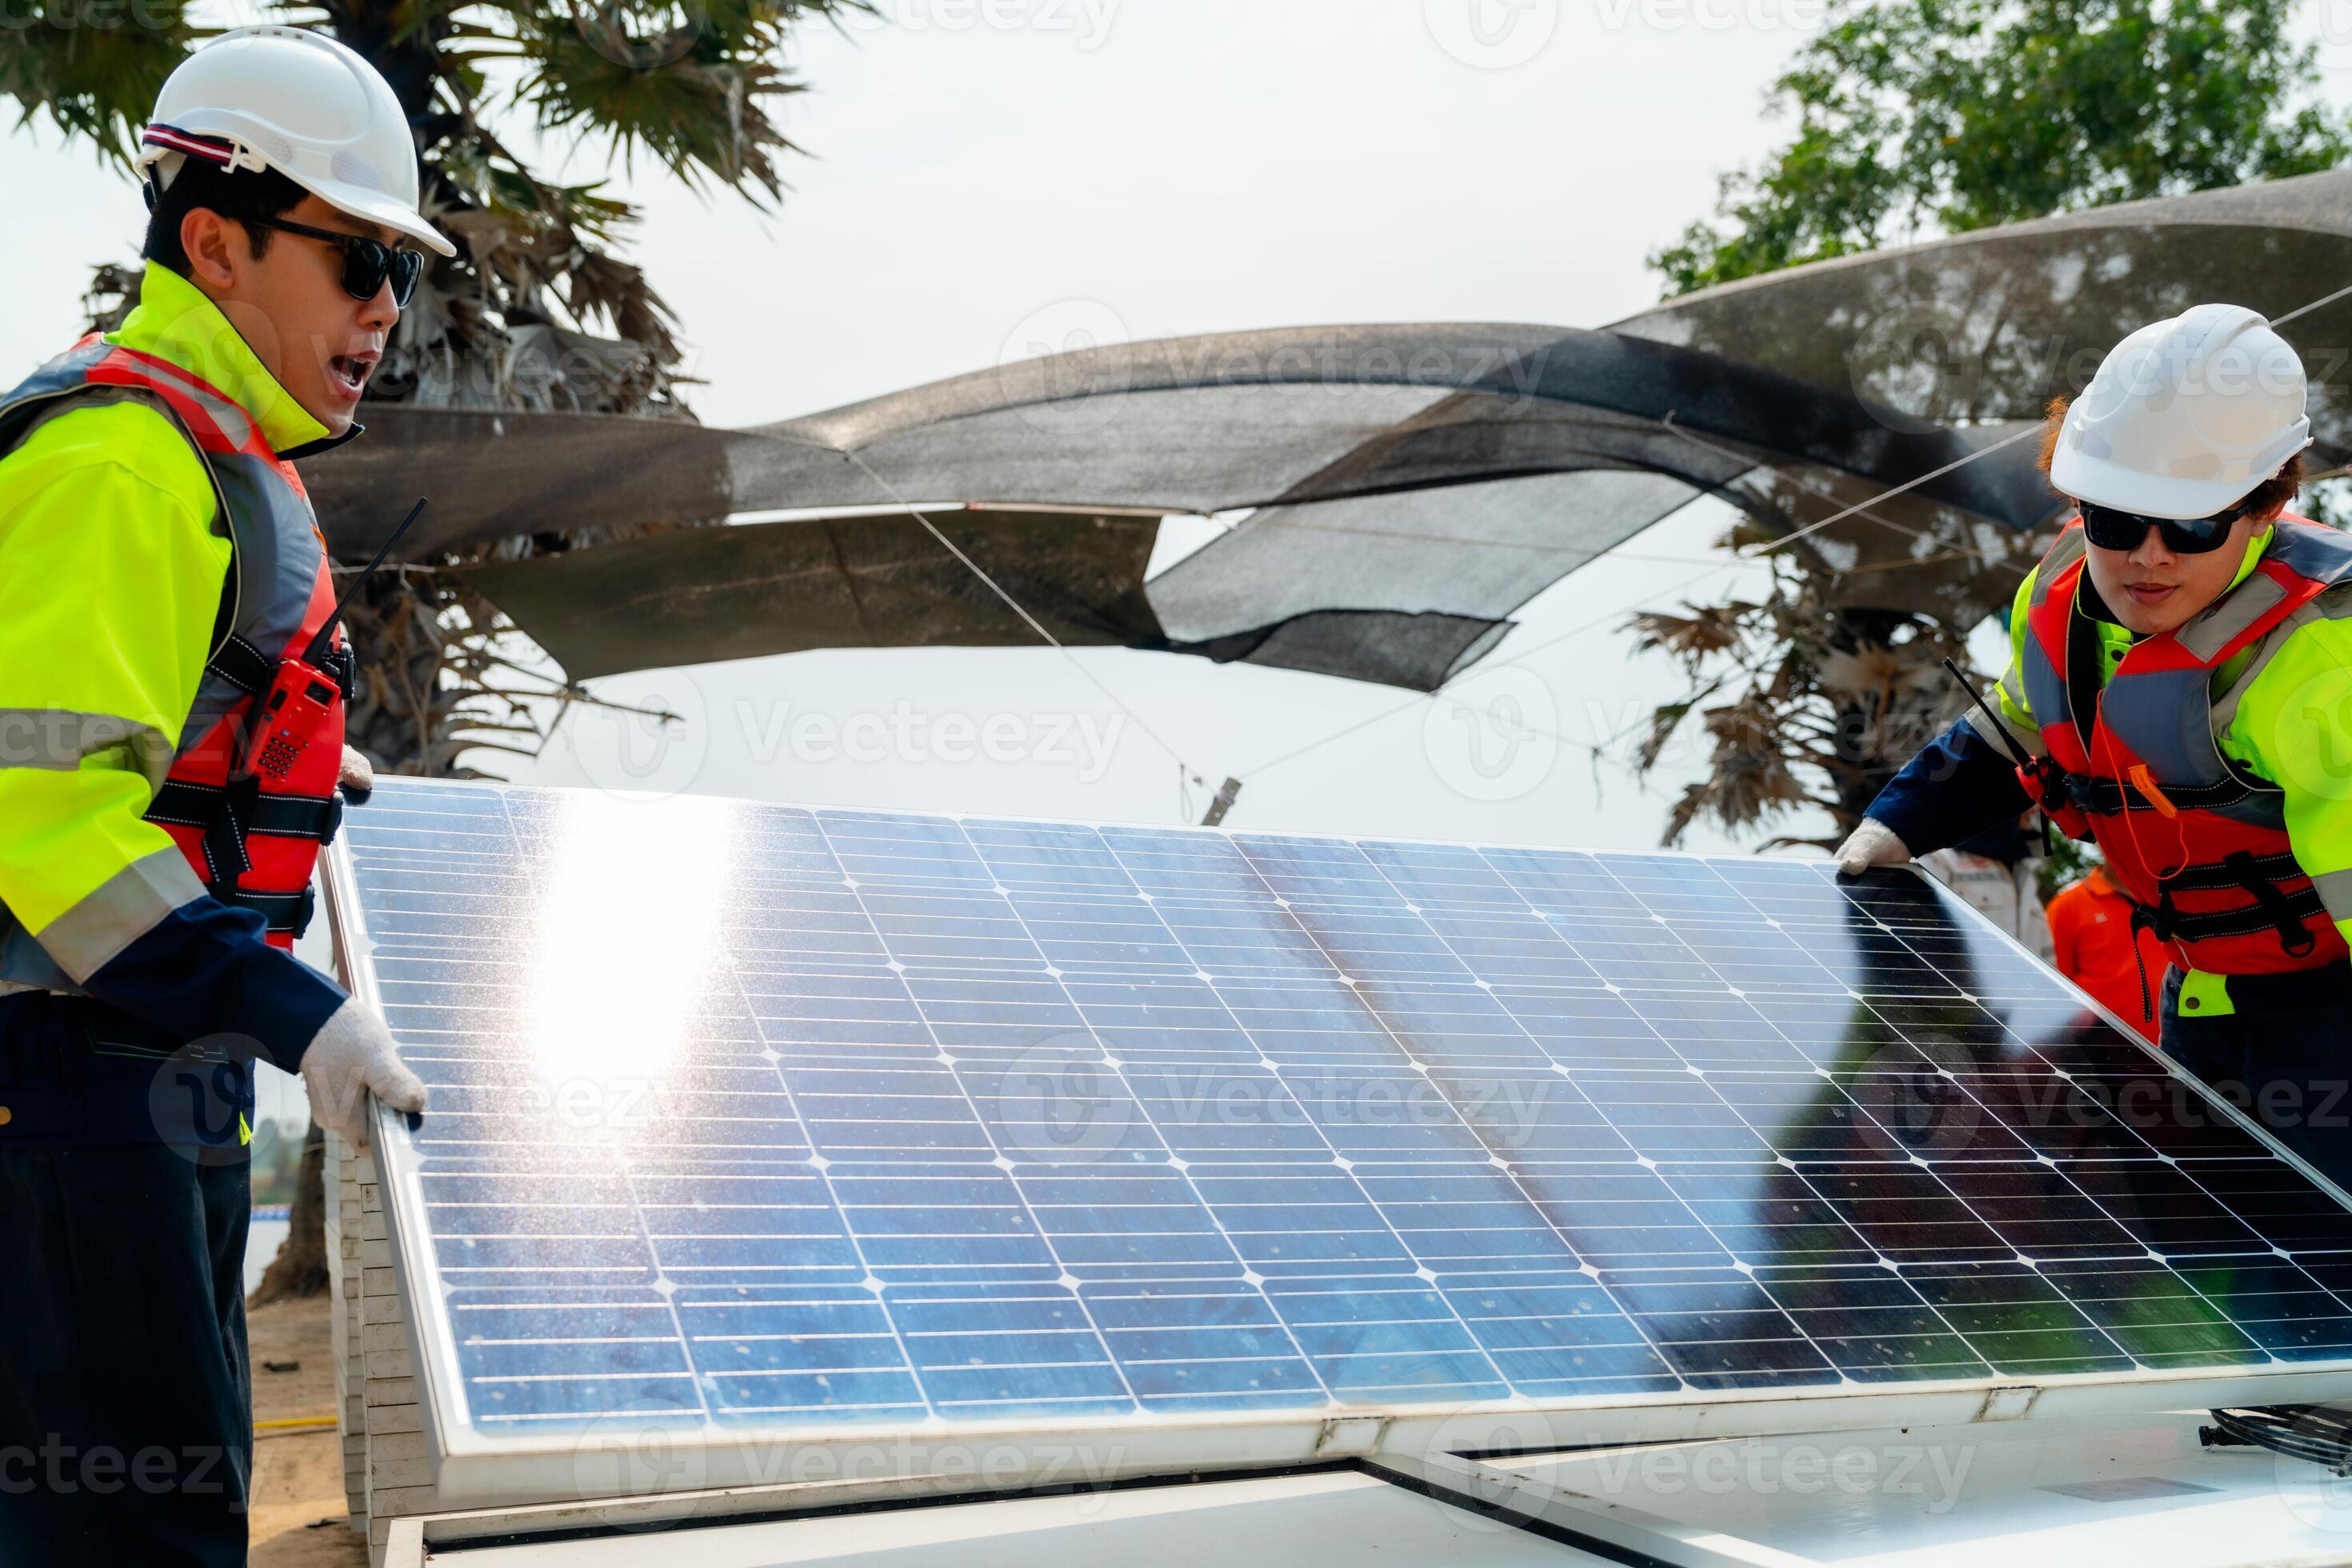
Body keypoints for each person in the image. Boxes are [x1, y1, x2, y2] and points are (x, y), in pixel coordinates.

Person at [0, 27, 440, 1566]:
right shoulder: (122, 462)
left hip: (144, 1087)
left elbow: (150, 737)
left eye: (403, 270)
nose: (386, 306)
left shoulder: (218, 456)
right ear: (215, 245)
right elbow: (37, 816)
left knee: (170, 1522)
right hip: (63, 1097)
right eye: (359, 258)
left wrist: (293, 761)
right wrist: (291, 1010)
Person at [1838, 302, 2352, 1191]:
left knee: (2322, 1242)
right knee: (2204, 1244)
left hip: (2328, 1018)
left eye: (2190, 525)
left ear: (2267, 504)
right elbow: (2015, 723)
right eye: (2117, 520)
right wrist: (1900, 822)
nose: (2147, 557)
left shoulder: (2320, 660)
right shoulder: (2063, 598)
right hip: (2198, 994)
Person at [2047, 863, 2173, 1039]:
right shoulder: (2067, 905)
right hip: (2104, 1046)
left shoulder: (2176, 896)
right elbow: (2053, 987)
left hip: (2179, 1042)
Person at [1915, 813, 2055, 963]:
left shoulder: (2025, 870)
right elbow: (1923, 947)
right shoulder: (1940, 860)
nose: (2034, 809)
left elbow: (2048, 959)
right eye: (2028, 802)